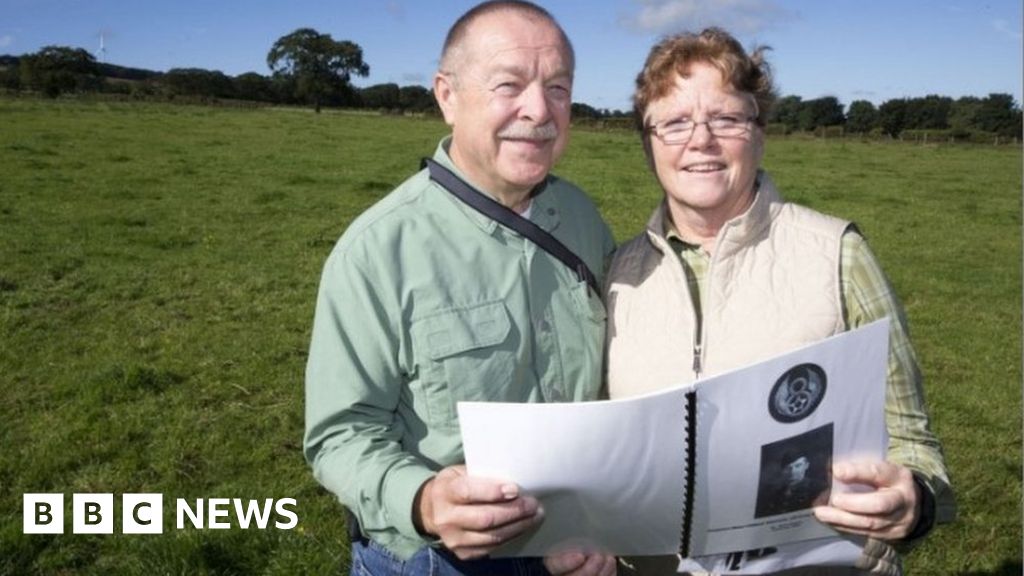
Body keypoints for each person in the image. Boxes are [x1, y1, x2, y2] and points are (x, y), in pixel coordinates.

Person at [604, 28, 955, 575]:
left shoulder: (839, 254)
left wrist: (916, 502)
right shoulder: (616, 276)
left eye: (726, 118)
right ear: (648, 145)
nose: (701, 140)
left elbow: (913, 441)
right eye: (674, 123)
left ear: (760, 133)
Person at [303, 2, 617, 575]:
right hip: (434, 560)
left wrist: (595, 522)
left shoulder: (582, 220)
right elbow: (339, 434)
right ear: (447, 95)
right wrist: (423, 501)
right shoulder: (376, 250)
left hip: (566, 545)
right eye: (509, 84)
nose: (539, 110)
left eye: (558, 88)